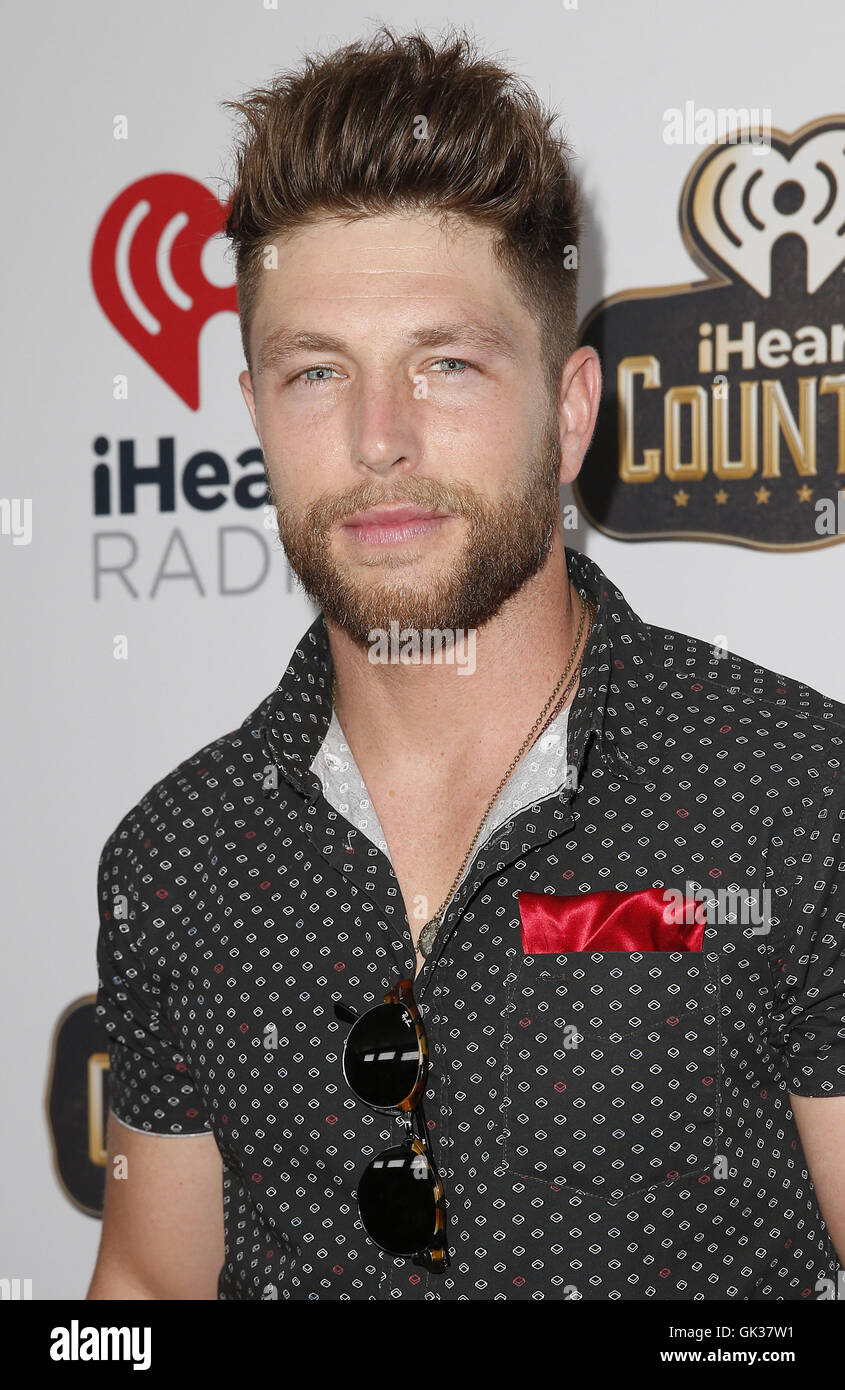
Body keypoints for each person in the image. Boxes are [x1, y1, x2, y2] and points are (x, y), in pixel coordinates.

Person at [87, 25, 845, 1301]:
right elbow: (151, 1289)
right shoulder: (174, 859)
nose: (379, 439)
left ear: (569, 410)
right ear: (257, 414)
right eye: (316, 372)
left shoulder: (795, 798)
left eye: (445, 363)